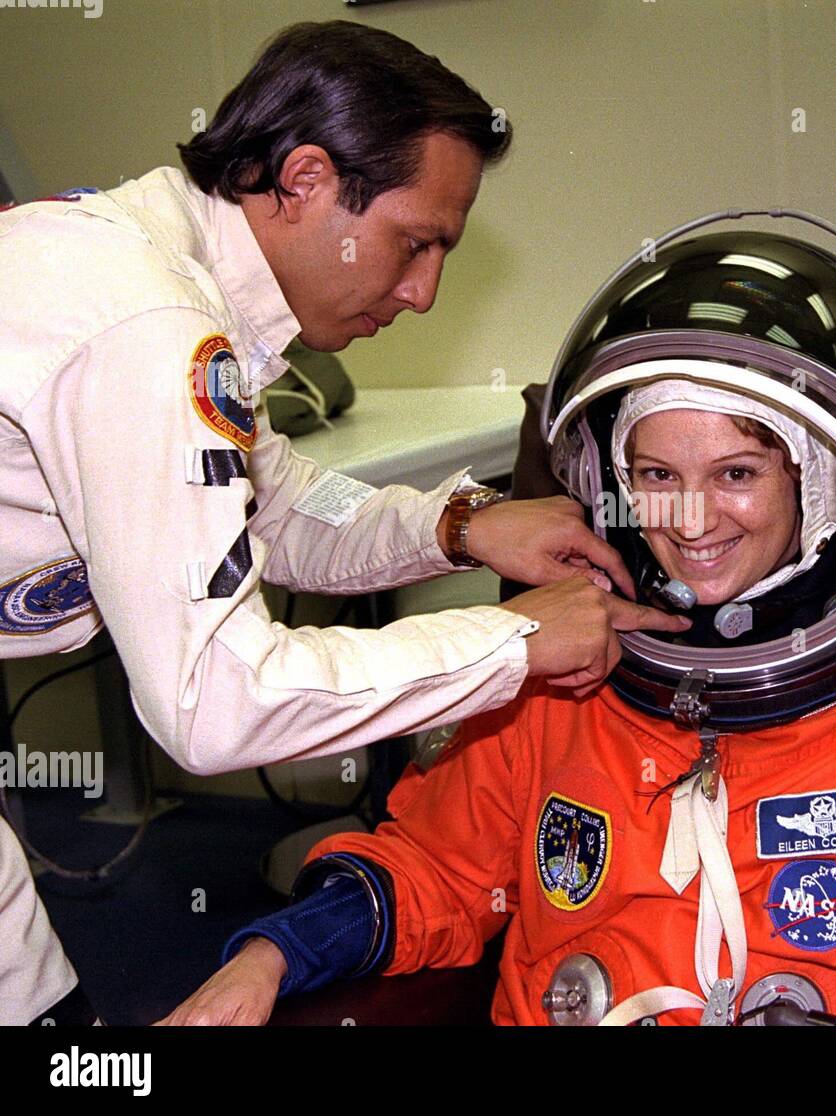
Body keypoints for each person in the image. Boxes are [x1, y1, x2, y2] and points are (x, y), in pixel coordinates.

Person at [161, 221, 836, 1026]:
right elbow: (437, 871)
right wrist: (266, 957)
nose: (688, 518)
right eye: (654, 473)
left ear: (825, 487)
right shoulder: (553, 686)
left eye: (736, 471)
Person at [0, 20, 686, 1025]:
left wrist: (463, 524)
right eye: (416, 244)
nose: (421, 292)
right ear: (306, 178)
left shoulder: (161, 270)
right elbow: (212, 703)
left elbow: (284, 502)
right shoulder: (145, 326)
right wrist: (510, 642)